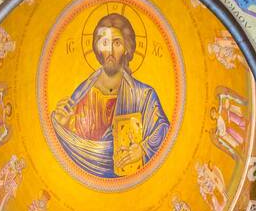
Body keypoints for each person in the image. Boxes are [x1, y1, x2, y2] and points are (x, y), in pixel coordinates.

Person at [51, 13, 169, 178]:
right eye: (105, 43)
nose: (111, 51)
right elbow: (73, 146)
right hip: (87, 185)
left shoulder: (144, 95)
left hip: (129, 183)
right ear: (98, 48)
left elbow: (163, 129)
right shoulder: (81, 94)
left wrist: (143, 149)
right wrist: (63, 126)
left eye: (117, 43)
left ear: (127, 48)